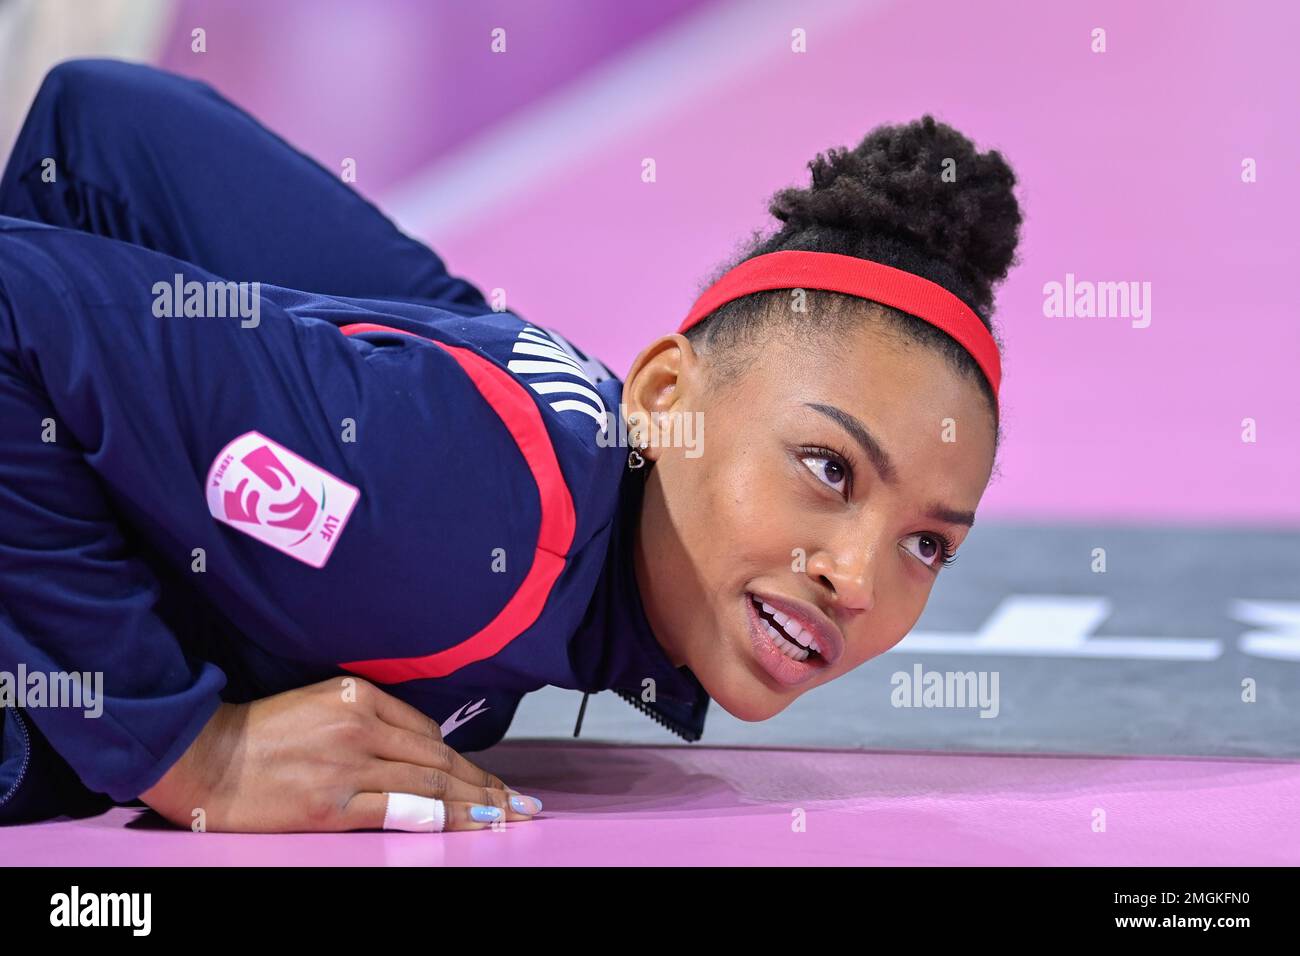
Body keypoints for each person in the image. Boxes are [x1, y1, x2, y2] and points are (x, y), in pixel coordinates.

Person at [0, 59, 1022, 832]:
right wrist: (189, 747)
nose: (856, 577)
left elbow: (101, 134)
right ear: (665, 392)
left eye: (926, 544)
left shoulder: (533, 432)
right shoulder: (462, 527)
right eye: (829, 468)